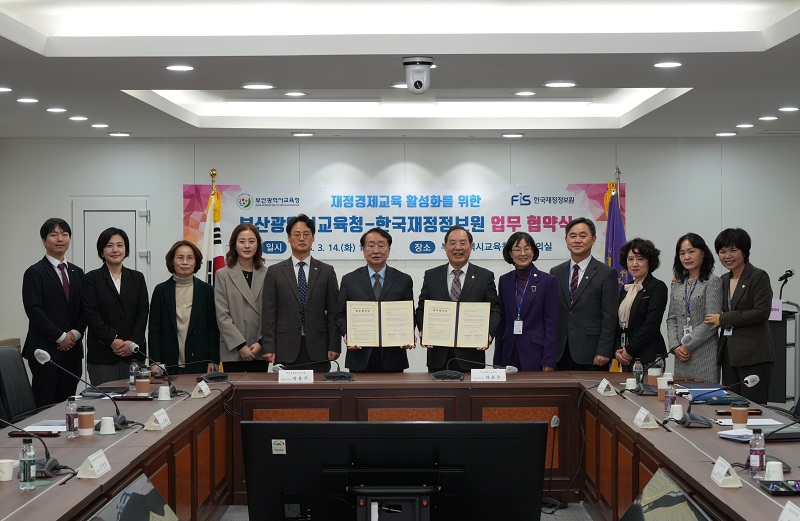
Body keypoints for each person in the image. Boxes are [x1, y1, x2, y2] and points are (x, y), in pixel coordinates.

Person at [21, 218, 87, 407]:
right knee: (45, 406)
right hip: (45, 351)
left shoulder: (77, 272)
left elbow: (85, 309)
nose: (60, 239)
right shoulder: (34, 272)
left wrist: (74, 335)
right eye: (53, 234)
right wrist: (60, 337)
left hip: (72, 352)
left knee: (68, 405)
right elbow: (34, 310)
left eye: (65, 234)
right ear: (44, 240)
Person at [416, 225, 501, 372]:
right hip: (438, 354)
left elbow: (495, 310)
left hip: (472, 355)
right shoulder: (432, 275)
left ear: (471, 246)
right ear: (445, 246)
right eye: (452, 243)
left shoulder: (485, 276)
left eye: (463, 243)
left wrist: (488, 334)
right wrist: (424, 329)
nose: (458, 248)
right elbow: (422, 308)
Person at [262, 214, 340, 372]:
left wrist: (334, 344)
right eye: (296, 235)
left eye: (306, 234)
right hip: (285, 347)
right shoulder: (275, 272)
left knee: (319, 394)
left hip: (319, 347)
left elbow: (333, 312)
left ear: (313, 238)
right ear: (289, 238)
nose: (302, 238)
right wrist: (268, 346)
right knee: (287, 395)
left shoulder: (326, 271)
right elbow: (269, 312)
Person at [704, 228, 773, 403]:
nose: (727, 255)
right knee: (732, 407)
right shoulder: (724, 279)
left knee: (754, 410)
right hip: (728, 354)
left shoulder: (758, 276)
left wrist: (724, 319)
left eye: (733, 250)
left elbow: (761, 313)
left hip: (753, 356)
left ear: (744, 251)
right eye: (722, 251)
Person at [336, 228, 415, 372]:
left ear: (389, 250)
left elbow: (409, 314)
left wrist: (408, 335)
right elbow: (340, 315)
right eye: (371, 245)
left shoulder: (403, 280)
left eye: (381, 245)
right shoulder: (349, 280)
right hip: (359, 355)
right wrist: (348, 334)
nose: (376, 250)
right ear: (364, 250)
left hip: (394, 356)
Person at [549, 217, 618, 371]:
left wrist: (604, 350)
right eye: (572, 236)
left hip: (592, 353)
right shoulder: (555, 272)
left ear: (593, 239)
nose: (577, 240)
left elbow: (610, 316)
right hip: (560, 352)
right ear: (566, 240)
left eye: (583, 235)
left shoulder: (606, 273)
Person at [82, 227, 149, 385]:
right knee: (105, 404)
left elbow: (143, 312)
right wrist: (112, 339)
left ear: (126, 250)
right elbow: (91, 314)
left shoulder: (137, 278)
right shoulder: (91, 279)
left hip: (133, 354)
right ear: (101, 251)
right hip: (103, 356)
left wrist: (132, 342)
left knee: (136, 403)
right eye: (109, 245)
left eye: (120, 245)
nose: (115, 250)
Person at [149, 241, 219, 374]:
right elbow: (154, 329)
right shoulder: (161, 290)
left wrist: (214, 360)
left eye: (190, 258)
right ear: (172, 261)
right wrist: (155, 361)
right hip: (167, 362)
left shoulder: (207, 290)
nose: (185, 262)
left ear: (196, 262)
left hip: (200, 361)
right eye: (180, 258)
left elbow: (213, 328)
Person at [494, 232, 558, 371]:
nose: (522, 253)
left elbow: (551, 324)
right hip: (508, 351)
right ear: (510, 254)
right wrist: (497, 357)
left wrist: (549, 359)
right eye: (517, 249)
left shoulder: (548, 281)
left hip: (536, 353)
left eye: (527, 248)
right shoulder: (504, 280)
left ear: (533, 252)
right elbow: (502, 322)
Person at [665, 233, 722, 382]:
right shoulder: (677, 283)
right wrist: (675, 346)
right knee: (682, 399)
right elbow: (671, 319)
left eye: (691, 251)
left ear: (703, 253)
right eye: (682, 253)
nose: (686, 257)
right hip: (681, 355)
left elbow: (712, 321)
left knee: (704, 399)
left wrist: (687, 345)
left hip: (704, 354)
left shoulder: (712, 281)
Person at [215, 223, 268, 372]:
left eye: (251, 241)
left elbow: (272, 313)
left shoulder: (267, 274)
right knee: (233, 393)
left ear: (257, 245)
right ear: (234, 244)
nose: (247, 246)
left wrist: (261, 342)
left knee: (257, 394)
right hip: (233, 349)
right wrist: (240, 345)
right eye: (242, 241)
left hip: (259, 350)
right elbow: (222, 315)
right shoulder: (223, 274)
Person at [613, 238, 667, 367]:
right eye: (630, 259)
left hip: (649, 356)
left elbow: (651, 324)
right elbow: (618, 323)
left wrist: (630, 351)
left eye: (640, 258)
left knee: (648, 388)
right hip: (625, 355)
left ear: (649, 262)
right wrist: (618, 350)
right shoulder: (626, 287)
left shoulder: (657, 287)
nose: (634, 263)